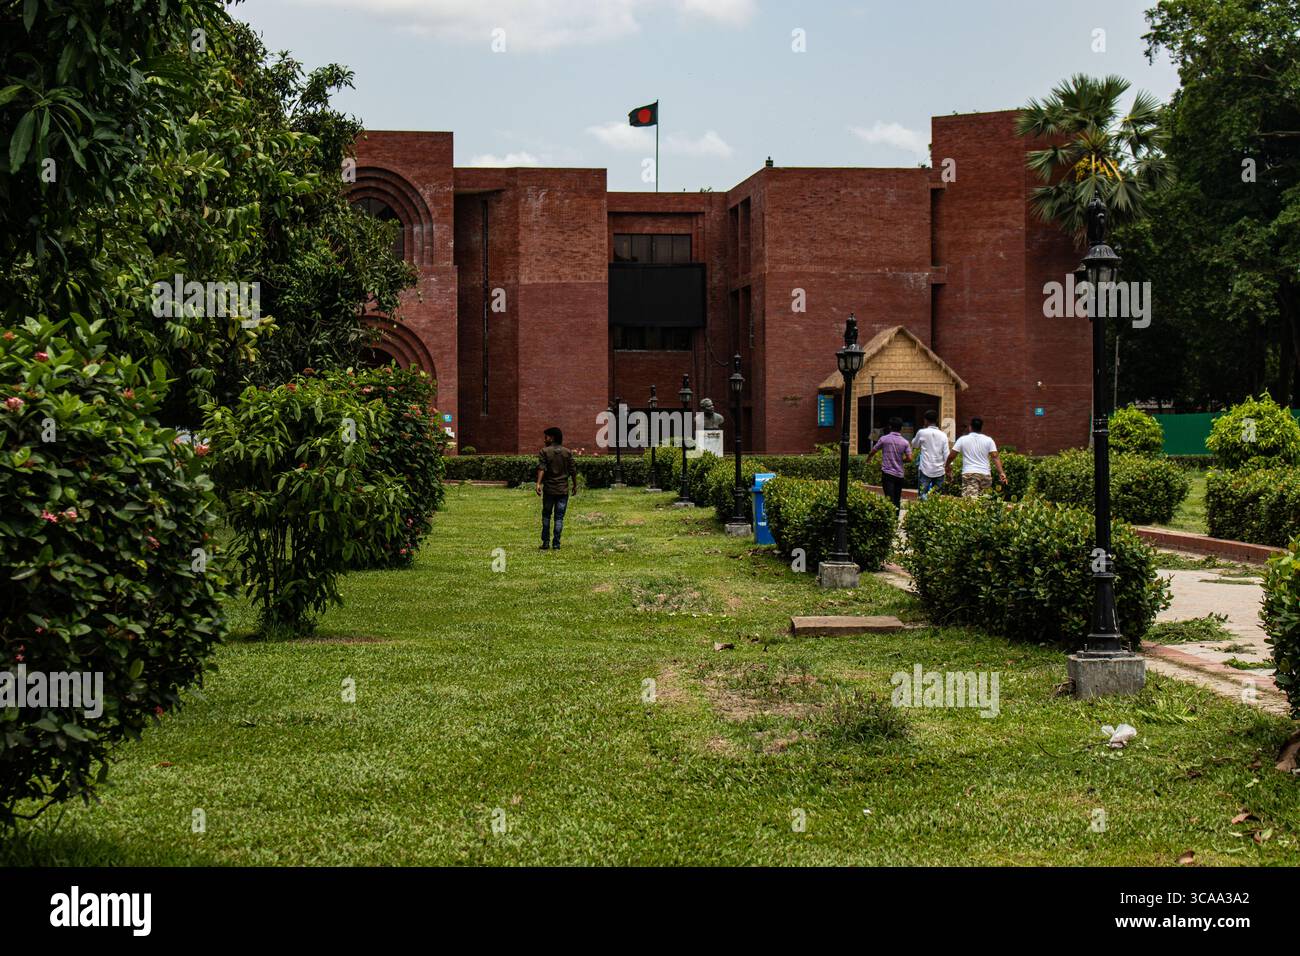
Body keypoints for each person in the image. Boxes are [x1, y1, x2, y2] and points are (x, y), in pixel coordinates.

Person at [535, 427, 577, 550]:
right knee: (559, 517)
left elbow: (541, 468)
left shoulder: (544, 451)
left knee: (546, 515)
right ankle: (556, 544)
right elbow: (573, 470)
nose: (544, 440)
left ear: (552, 437)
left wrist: (538, 483)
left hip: (549, 489)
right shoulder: (567, 452)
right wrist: (575, 485)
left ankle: (546, 542)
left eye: (546, 437)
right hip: (563, 490)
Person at [946, 417, 1007, 498]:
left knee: (970, 503)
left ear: (970, 427)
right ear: (981, 428)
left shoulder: (962, 439)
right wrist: (1001, 473)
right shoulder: (989, 440)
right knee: (984, 502)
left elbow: (952, 456)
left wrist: (947, 465)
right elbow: (995, 457)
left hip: (970, 474)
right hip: (985, 475)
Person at [866, 416, 912, 515]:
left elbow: (873, 450)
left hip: (887, 473)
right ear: (901, 428)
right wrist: (901, 460)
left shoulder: (884, 439)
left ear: (890, 427)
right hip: (899, 474)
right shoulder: (905, 442)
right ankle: (895, 519)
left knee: (888, 497)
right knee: (897, 498)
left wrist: (869, 459)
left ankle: (889, 519)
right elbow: (909, 458)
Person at [911, 409, 949, 500]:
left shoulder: (922, 432)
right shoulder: (943, 435)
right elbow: (946, 454)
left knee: (922, 495)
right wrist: (949, 469)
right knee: (937, 497)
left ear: (925, 420)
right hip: (939, 470)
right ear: (936, 420)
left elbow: (914, 444)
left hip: (925, 469)